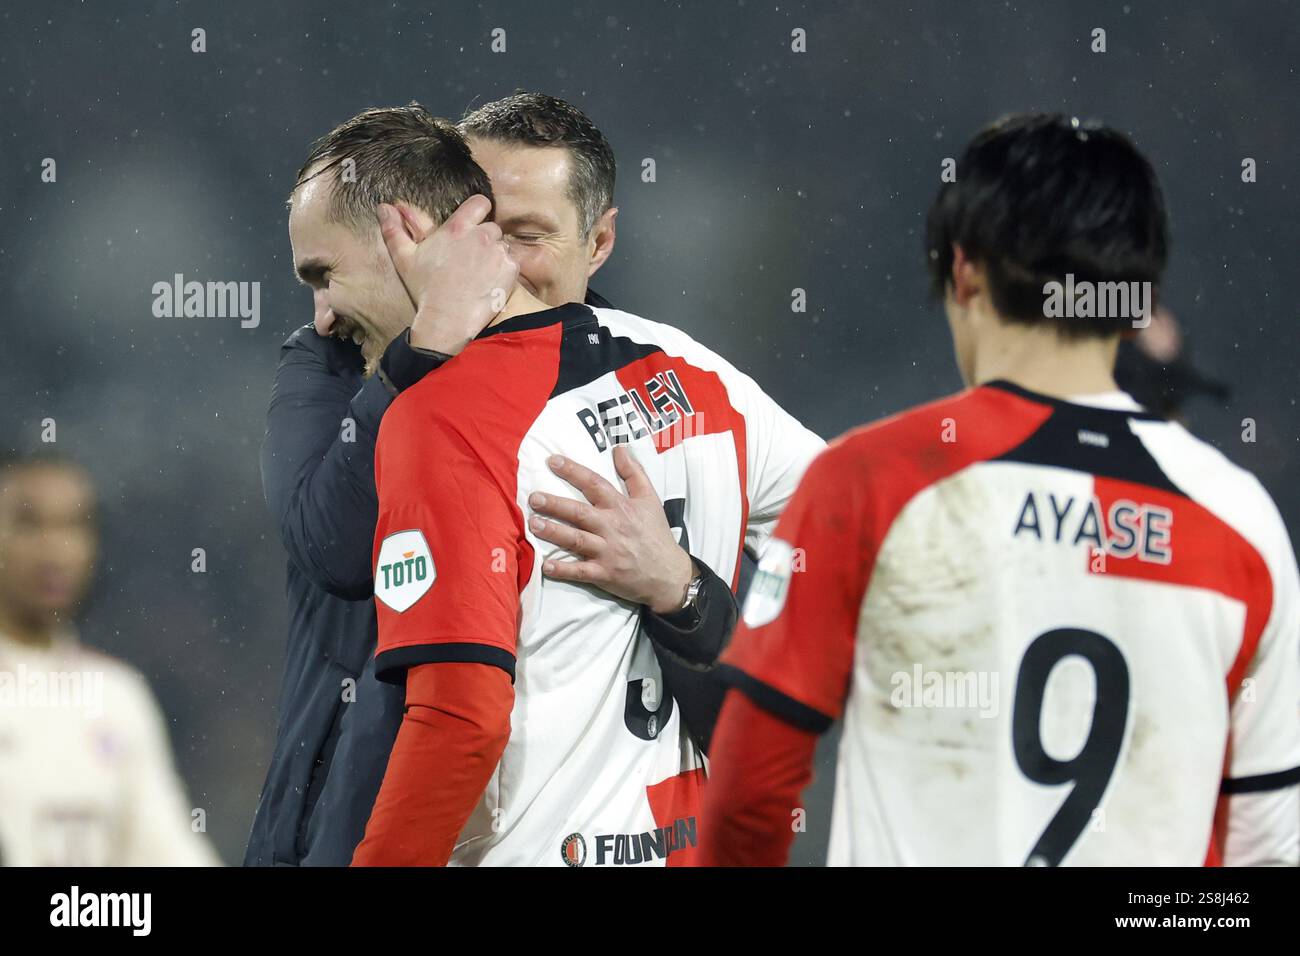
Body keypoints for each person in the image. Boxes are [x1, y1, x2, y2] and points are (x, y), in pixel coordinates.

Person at [701, 114, 1300, 866]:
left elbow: (751, 792)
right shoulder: (1240, 520)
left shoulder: (871, 483)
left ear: (964, 273)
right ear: (1134, 298)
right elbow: (1267, 846)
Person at [247, 99, 741, 867]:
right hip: (343, 819)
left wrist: (683, 590)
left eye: (324, 275)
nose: (319, 313)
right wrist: (424, 349)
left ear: (400, 237)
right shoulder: (326, 367)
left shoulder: (616, 390)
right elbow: (333, 543)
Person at [345, 119, 824, 869]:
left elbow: (461, 718)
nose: (491, 263)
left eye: (526, 235)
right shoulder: (690, 371)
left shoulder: (449, 417)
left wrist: (686, 592)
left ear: (598, 244)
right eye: (477, 226)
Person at [0, 454, 218, 866]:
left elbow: (167, 851)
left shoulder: (117, 694)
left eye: (73, 525)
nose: (55, 550)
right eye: (30, 525)